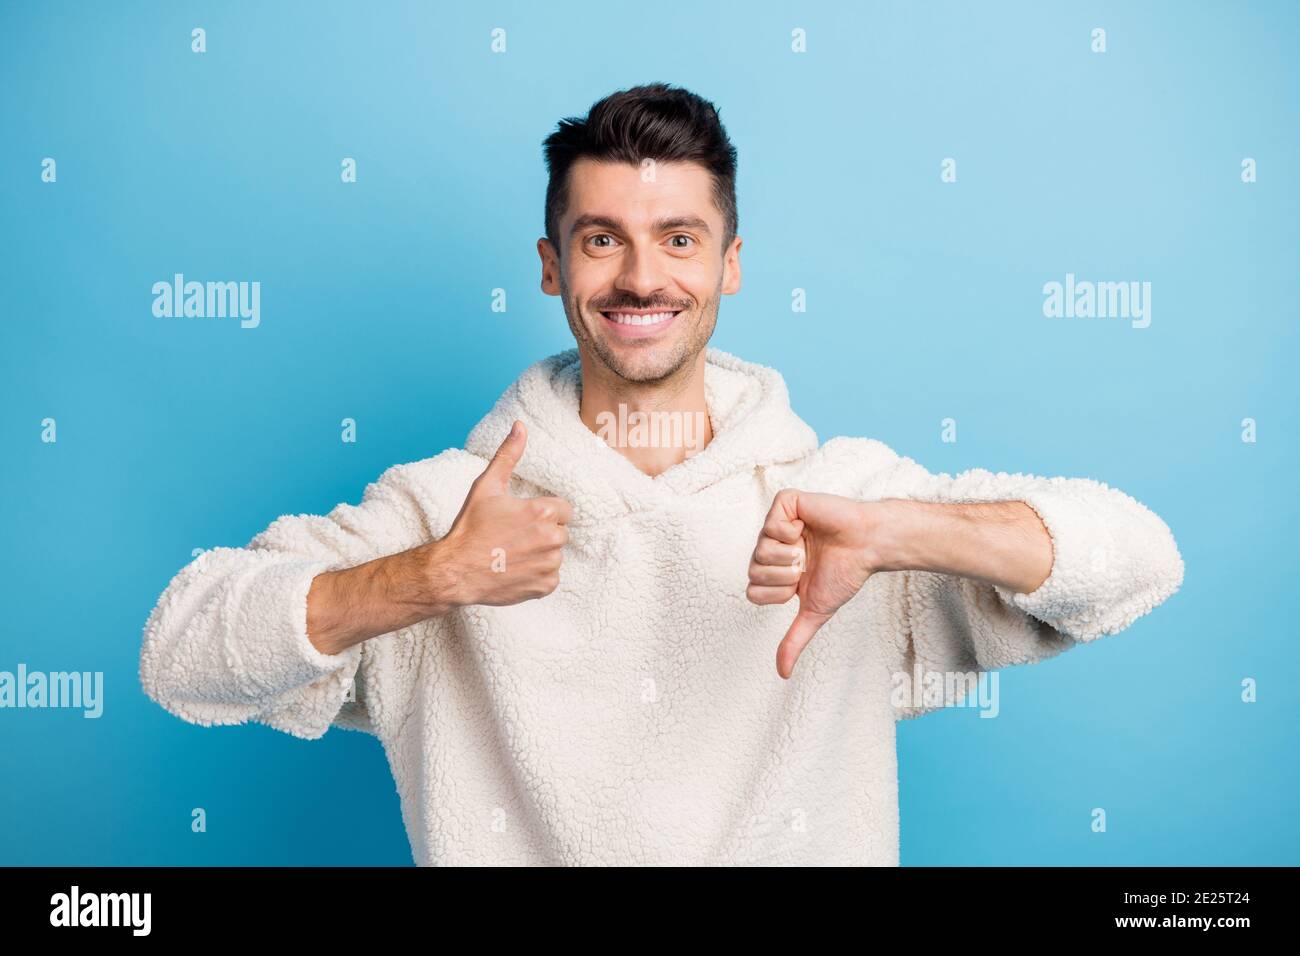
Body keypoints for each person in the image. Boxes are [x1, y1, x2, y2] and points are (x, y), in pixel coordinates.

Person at [139, 82, 1184, 866]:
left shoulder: (843, 498)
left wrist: (907, 533)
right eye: (602, 239)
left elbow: (1137, 558)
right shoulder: (446, 511)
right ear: (551, 265)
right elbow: (179, 650)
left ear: (729, 262)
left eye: (678, 238)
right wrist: (431, 577)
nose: (641, 276)